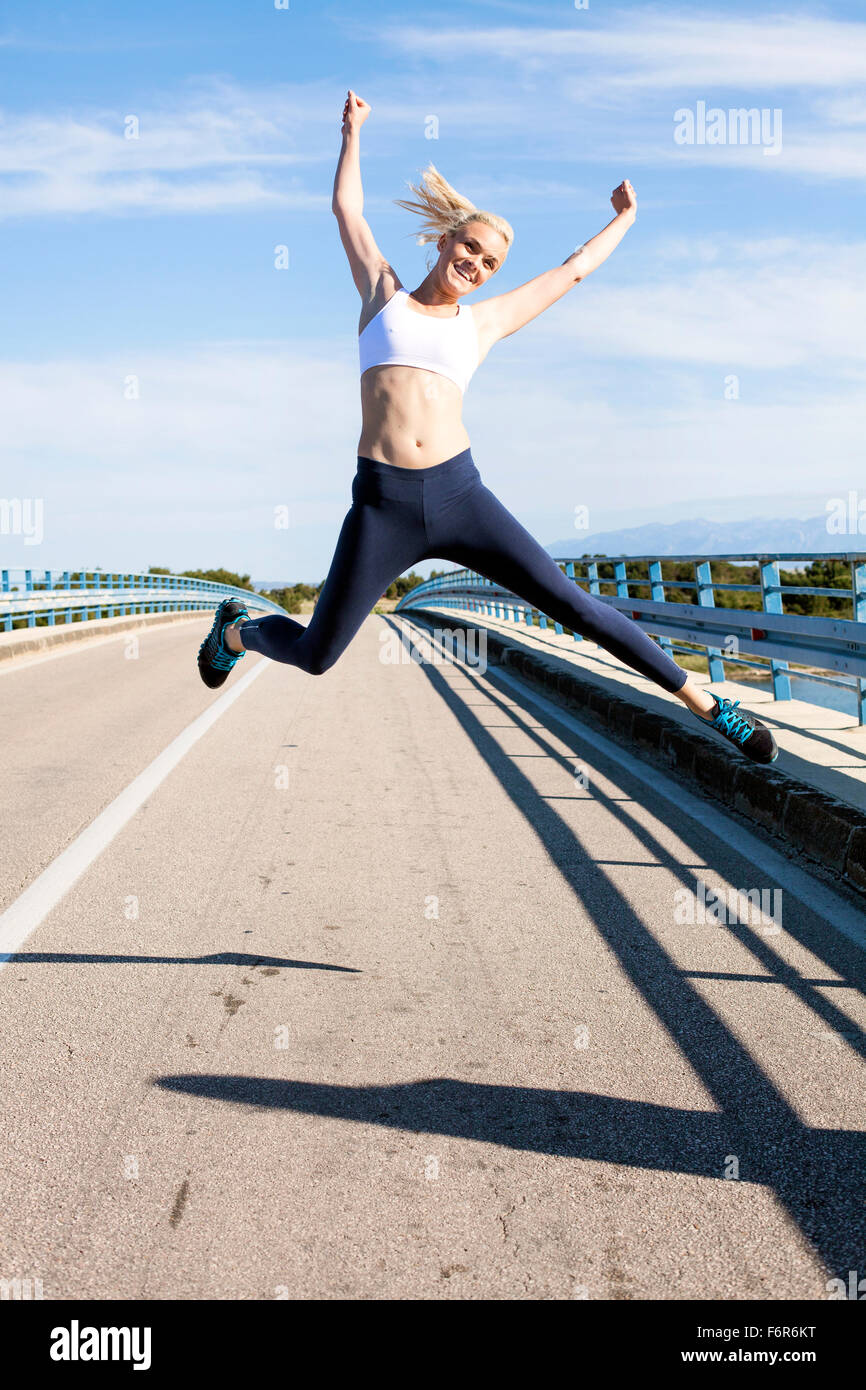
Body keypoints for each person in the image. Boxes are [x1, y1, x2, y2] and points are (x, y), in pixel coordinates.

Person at [198, 90, 777, 765]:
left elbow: (574, 270)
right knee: (318, 653)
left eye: (489, 262)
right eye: (469, 247)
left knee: (572, 603)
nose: (475, 263)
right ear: (445, 239)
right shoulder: (381, 293)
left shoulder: (484, 322)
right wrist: (351, 131)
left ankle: (710, 706)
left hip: (458, 495)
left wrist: (625, 218)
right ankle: (236, 634)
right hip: (383, 504)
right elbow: (346, 210)